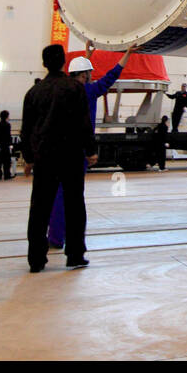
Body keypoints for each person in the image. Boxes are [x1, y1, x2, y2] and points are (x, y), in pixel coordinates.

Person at [48, 49, 134, 248]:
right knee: (73, 197)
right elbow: (112, 76)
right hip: (78, 151)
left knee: (57, 193)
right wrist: (128, 54)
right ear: (85, 75)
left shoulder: (59, 90)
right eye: (89, 73)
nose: (92, 76)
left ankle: (54, 235)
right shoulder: (89, 91)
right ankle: (72, 242)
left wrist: (86, 55)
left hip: (57, 149)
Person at [23, 44, 97, 272]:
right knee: (74, 205)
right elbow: (85, 123)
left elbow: (26, 129)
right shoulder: (74, 88)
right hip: (71, 156)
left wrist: (28, 157)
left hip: (45, 157)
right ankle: (75, 254)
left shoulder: (34, 92)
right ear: (64, 62)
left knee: (39, 208)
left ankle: (36, 259)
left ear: (44, 63)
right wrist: (90, 150)